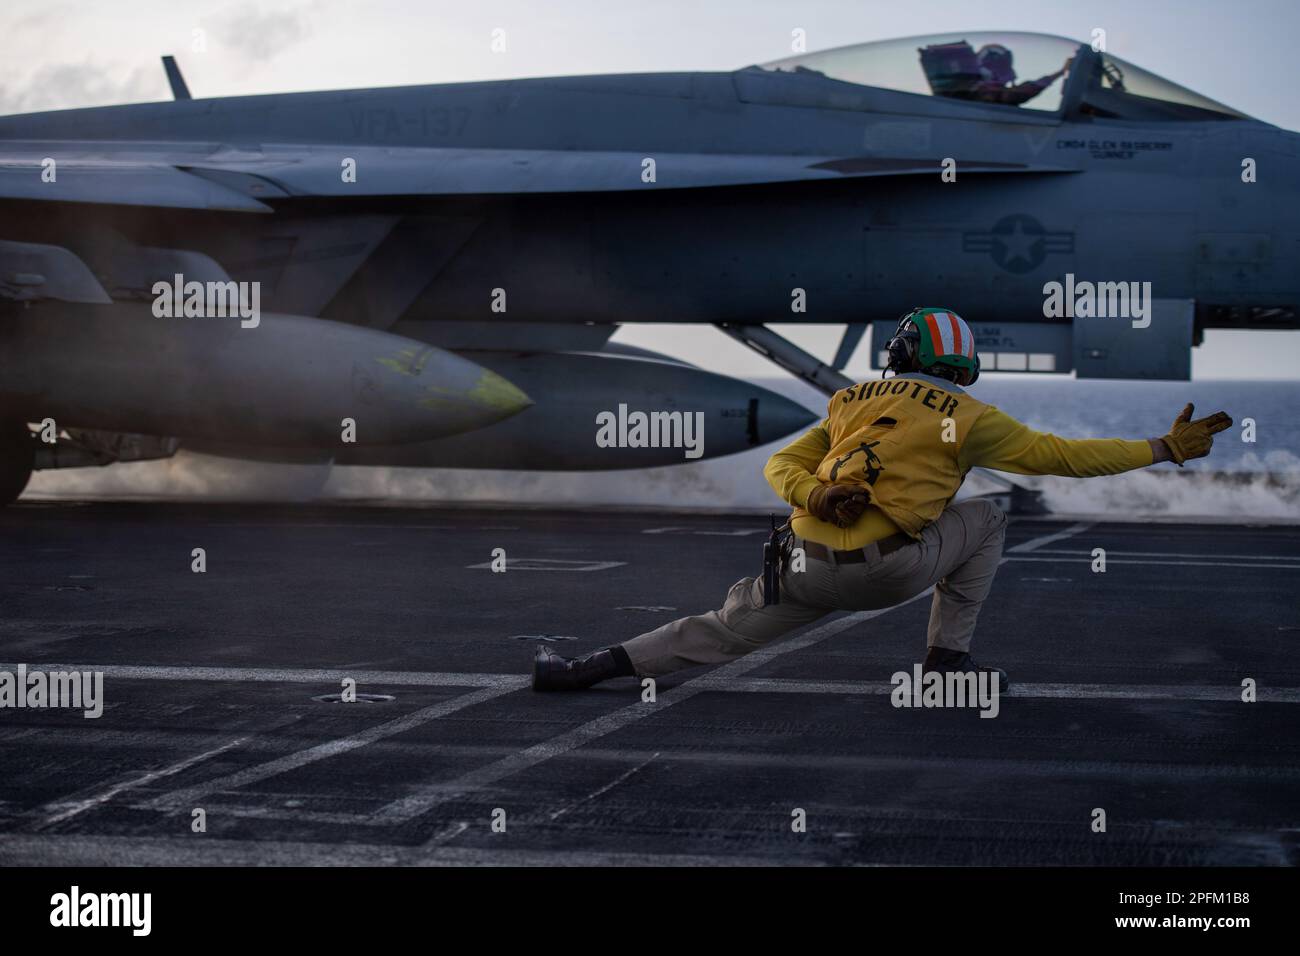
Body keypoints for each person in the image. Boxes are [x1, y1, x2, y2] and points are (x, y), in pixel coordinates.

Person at [531, 307, 1232, 693]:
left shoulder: (848, 401)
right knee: (986, 516)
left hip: (801, 567)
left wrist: (815, 491)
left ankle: (583, 670)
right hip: (889, 570)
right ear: (961, 365)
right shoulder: (970, 416)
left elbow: (782, 465)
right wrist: (1166, 448)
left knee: (711, 630)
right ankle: (946, 665)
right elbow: (1066, 458)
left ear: (900, 351)